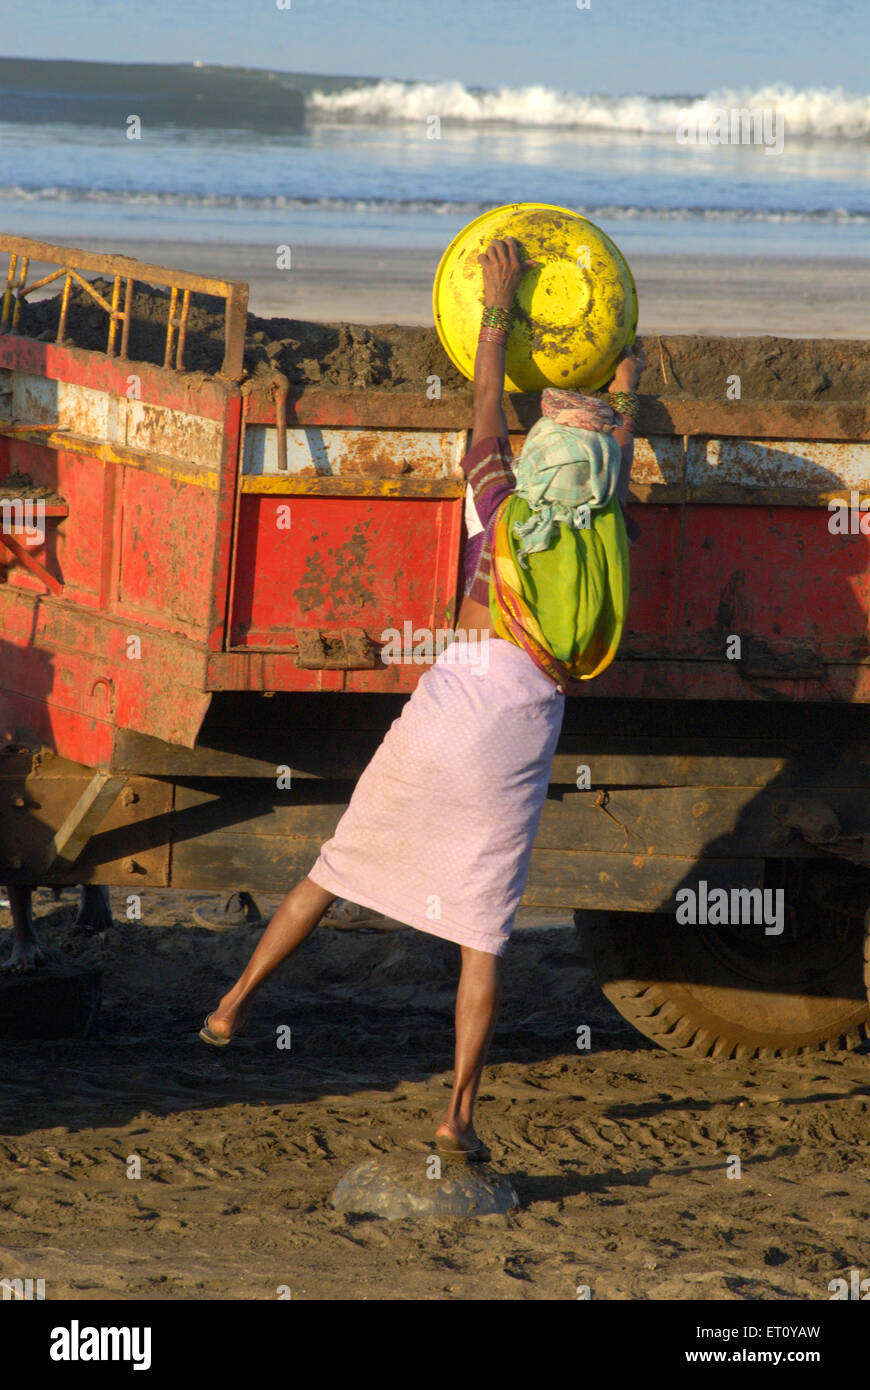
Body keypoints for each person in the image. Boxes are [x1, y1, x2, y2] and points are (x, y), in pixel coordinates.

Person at [200, 237, 645, 1162]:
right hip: (519, 732)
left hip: (450, 707)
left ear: (541, 461)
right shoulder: (608, 539)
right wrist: (627, 385)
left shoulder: (502, 510)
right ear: (600, 474)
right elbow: (616, 472)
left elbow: (486, 407)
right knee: (484, 936)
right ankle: (457, 1115)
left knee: (335, 866)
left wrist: (498, 304)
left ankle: (233, 1005)